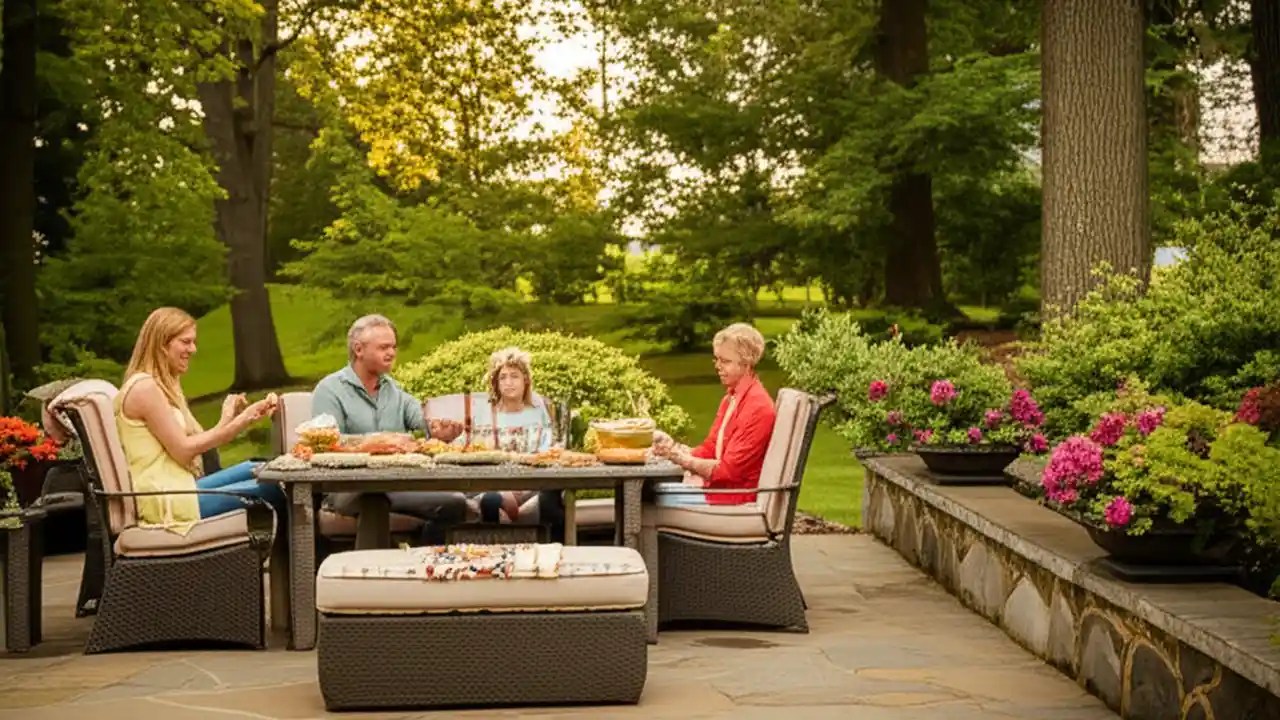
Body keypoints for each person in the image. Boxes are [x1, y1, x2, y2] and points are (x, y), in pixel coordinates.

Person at [115, 307, 285, 533]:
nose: (193, 349)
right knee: (280, 488)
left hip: (178, 487)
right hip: (167, 501)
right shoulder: (145, 389)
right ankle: (290, 563)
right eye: (185, 342)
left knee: (264, 469)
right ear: (162, 345)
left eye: (193, 342)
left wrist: (230, 418)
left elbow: (193, 443)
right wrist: (240, 422)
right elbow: (184, 451)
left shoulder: (158, 385)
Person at [311, 314, 466, 543]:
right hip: (346, 487)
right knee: (374, 498)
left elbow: (423, 423)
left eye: (393, 346)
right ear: (358, 349)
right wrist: (376, 442)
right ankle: (368, 575)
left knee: (454, 504)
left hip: (396, 482)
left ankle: (419, 567)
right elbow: (326, 444)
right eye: (384, 347)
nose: (392, 352)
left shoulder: (394, 389)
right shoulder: (329, 390)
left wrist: (439, 432)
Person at [652, 323, 776, 506]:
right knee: (649, 491)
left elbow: (727, 472)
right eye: (716, 360)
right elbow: (710, 448)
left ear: (747, 364)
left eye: (725, 361)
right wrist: (674, 449)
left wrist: (682, 460)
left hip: (734, 501)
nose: (717, 366)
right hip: (718, 493)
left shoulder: (757, 407)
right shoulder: (732, 398)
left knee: (652, 497)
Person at [467, 347, 558, 527]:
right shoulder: (485, 415)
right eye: (503, 377)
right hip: (494, 484)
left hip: (533, 484)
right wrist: (502, 489)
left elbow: (548, 453)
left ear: (525, 380)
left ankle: (553, 550)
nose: (509, 382)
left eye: (514, 376)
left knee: (552, 497)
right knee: (490, 500)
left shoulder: (539, 413)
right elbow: (476, 458)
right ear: (496, 384)